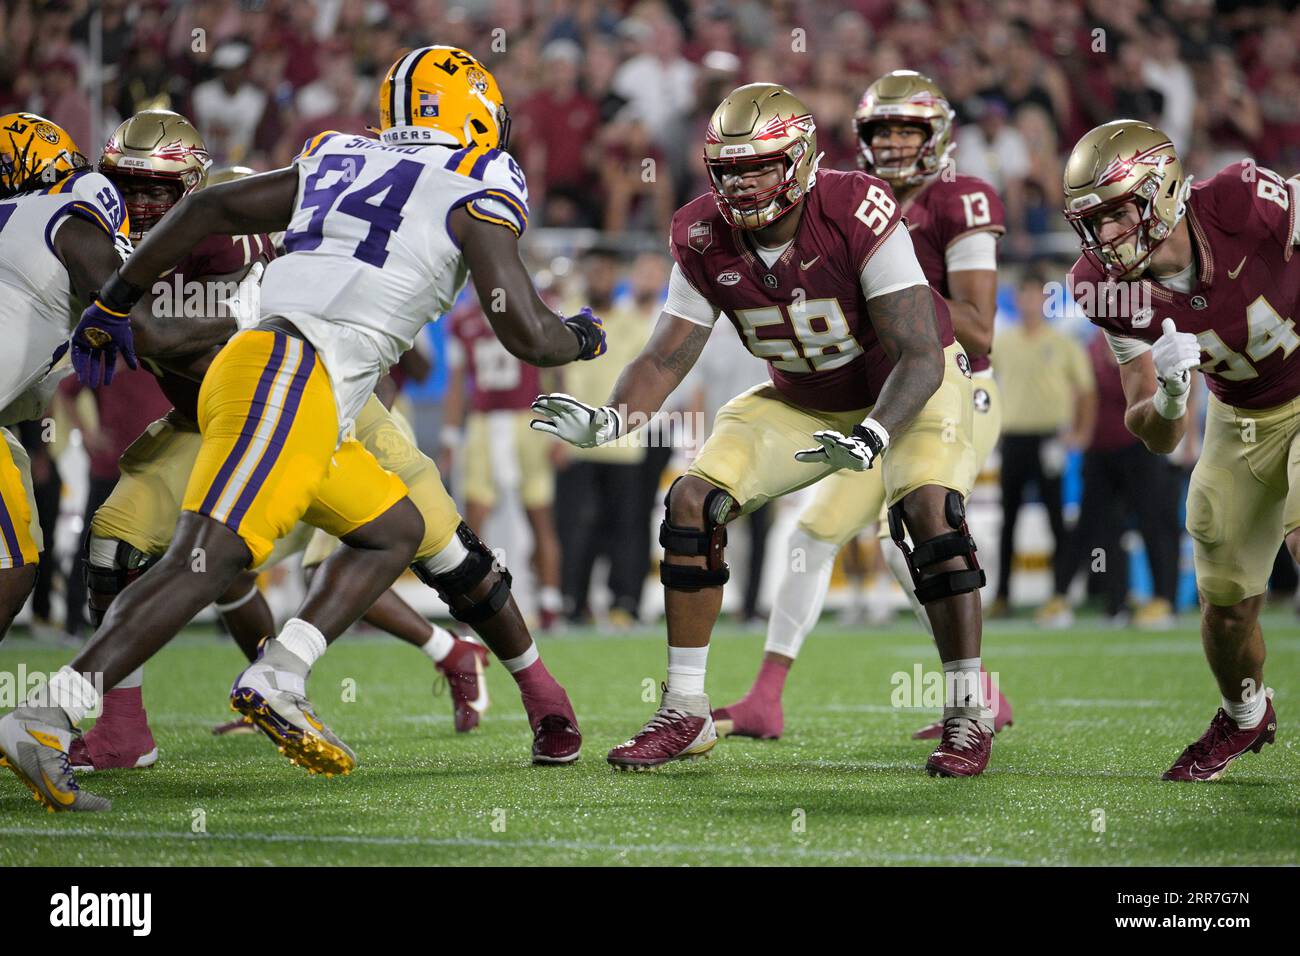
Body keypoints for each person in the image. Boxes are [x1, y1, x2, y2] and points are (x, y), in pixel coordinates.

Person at [0, 47, 604, 813]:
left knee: (396, 529)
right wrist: (581, 338)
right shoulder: (482, 176)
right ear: (474, 113)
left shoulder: (337, 153)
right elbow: (525, 330)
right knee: (205, 562)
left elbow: (210, 207)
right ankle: (47, 712)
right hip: (293, 374)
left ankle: (280, 670)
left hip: (288, 380)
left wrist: (116, 299)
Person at [534, 83, 992, 777]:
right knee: (691, 502)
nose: (744, 184)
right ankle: (685, 709)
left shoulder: (856, 208)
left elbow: (922, 351)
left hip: (908, 386)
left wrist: (872, 436)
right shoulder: (698, 231)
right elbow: (665, 353)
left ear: (802, 161)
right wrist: (613, 419)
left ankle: (967, 710)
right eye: (730, 170)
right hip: (803, 398)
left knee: (929, 513)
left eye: (761, 166)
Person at [713, 71, 1014, 742]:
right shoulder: (846, 197)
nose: (898, 143)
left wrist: (888, 284)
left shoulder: (959, 200)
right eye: (884, 130)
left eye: (910, 130)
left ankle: (975, 693)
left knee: (909, 530)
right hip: (875, 389)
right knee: (809, 537)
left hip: (955, 380)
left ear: (936, 136)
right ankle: (766, 698)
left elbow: (980, 325)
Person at [1062, 118, 1292, 780]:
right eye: (1090, 221)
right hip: (1240, 410)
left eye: (1116, 214)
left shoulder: (1242, 200)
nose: (1103, 236)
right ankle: (1245, 715)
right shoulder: (1103, 286)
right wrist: (1168, 393)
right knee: (1224, 606)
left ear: (1162, 192)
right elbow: (1158, 436)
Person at [995, 274, 1096, 618]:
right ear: (1015, 299)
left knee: (1056, 518)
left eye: (1035, 296)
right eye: (1022, 295)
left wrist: (1081, 433)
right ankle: (1002, 596)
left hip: (1050, 439)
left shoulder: (1063, 342)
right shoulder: (1003, 342)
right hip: (1013, 438)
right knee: (1008, 520)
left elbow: (1086, 390)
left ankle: (1059, 593)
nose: (1028, 303)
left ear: (1044, 300)